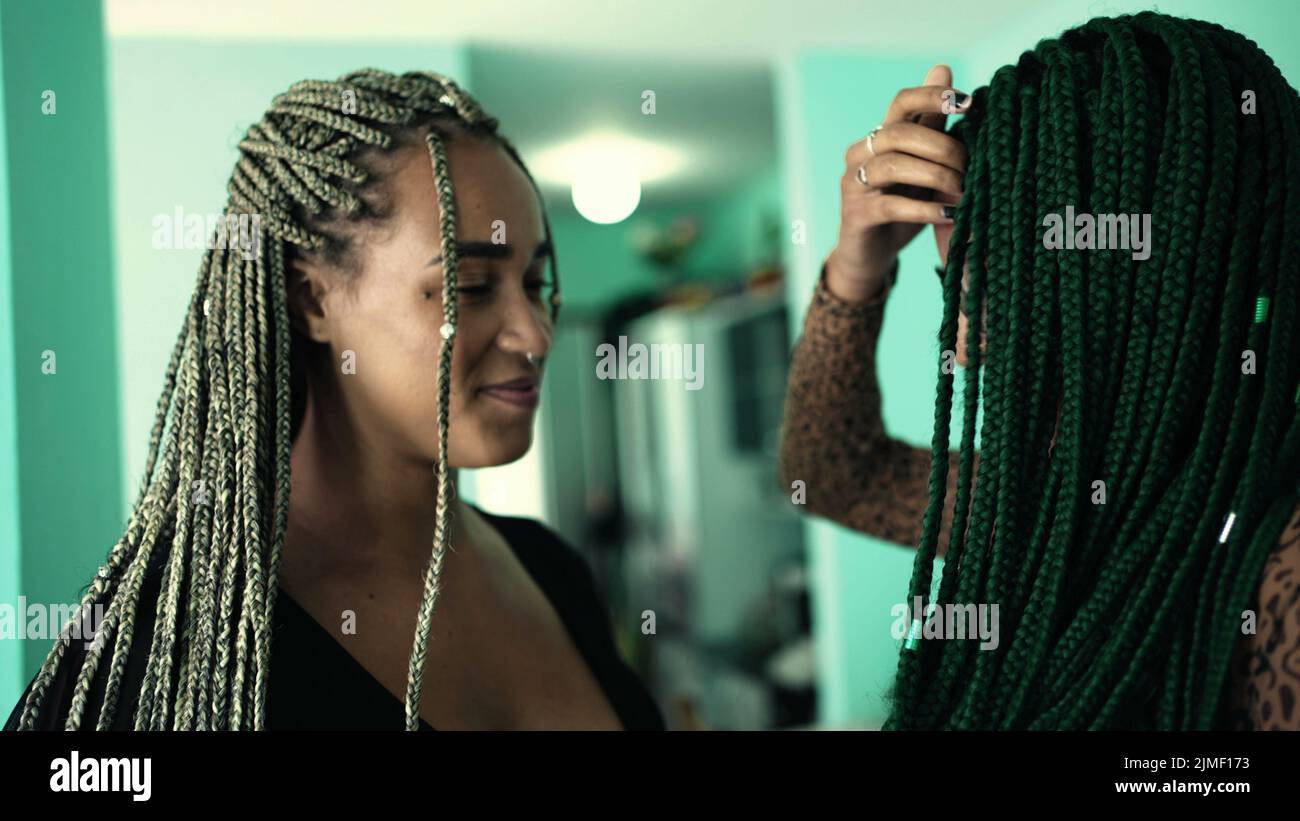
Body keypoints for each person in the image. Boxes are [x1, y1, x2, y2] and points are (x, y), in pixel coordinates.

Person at [6, 69, 664, 731]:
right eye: (470, 285)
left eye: (534, 280)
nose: (534, 333)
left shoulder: (550, 568)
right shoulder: (184, 647)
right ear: (311, 298)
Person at [779, 12, 1300, 730]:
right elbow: (833, 471)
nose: (964, 350)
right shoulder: (1046, 514)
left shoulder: (1280, 578)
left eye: (989, 285)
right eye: (955, 276)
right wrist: (855, 267)